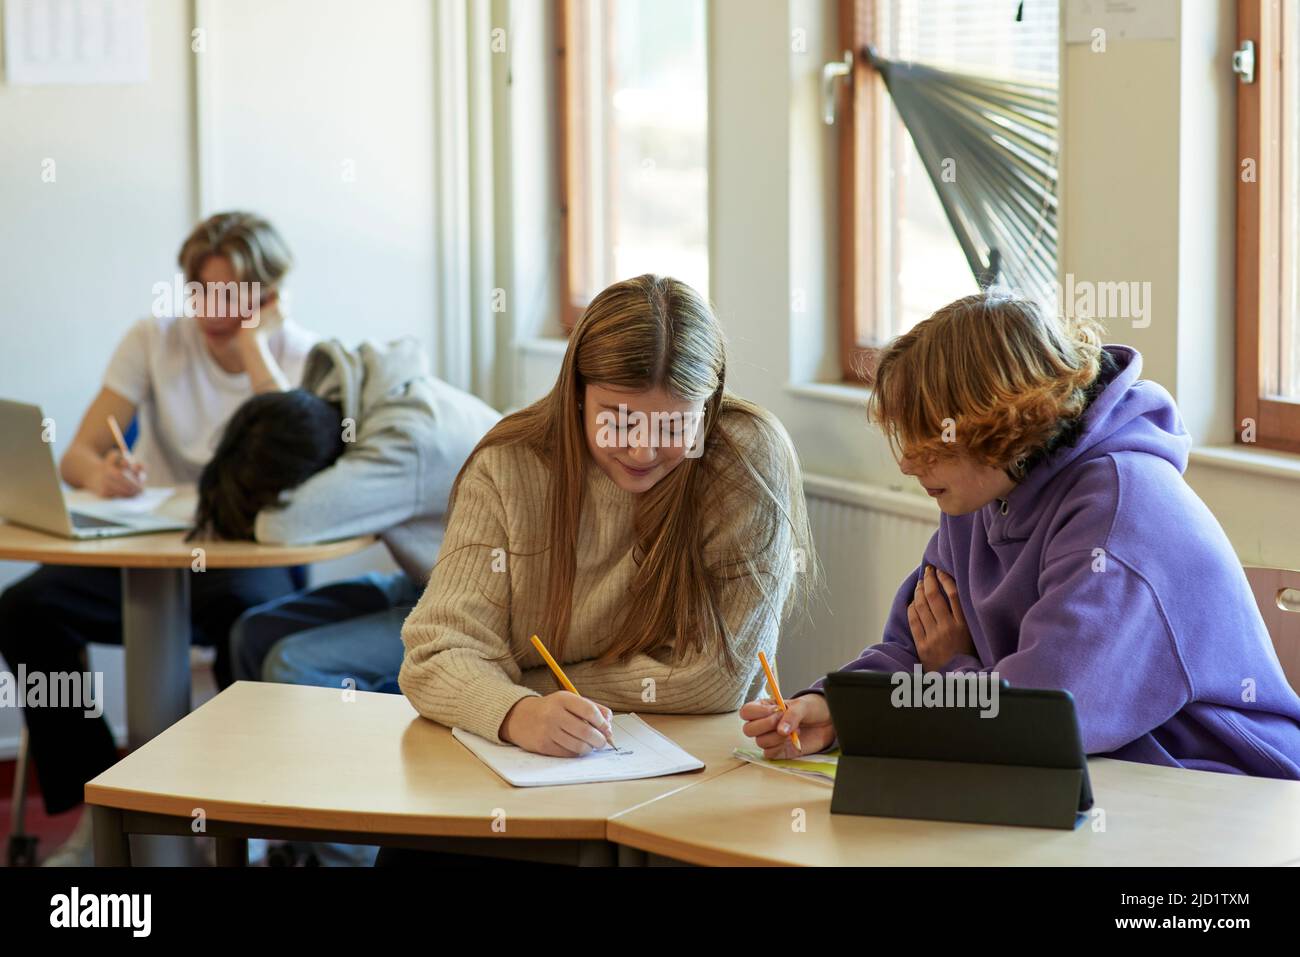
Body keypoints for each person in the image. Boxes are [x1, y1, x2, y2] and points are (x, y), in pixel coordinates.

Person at [741, 291, 1300, 779]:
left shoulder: (1120, 513)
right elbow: (913, 646)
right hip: (1095, 771)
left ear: (1001, 425)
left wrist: (952, 671)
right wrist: (837, 708)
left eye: (928, 440)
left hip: (1217, 785)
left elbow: (1040, 724)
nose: (908, 463)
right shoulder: (982, 488)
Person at [0, 211, 317, 865]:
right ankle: (102, 806)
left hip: (251, 557)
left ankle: (243, 819)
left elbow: (299, 468)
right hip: (153, 550)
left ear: (268, 294)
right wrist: (106, 472)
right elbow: (78, 455)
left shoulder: (297, 353)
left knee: (251, 623)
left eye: (233, 295)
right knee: (23, 608)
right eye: (201, 292)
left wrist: (255, 350)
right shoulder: (152, 339)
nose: (212, 312)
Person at [195, 337, 500, 864]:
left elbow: (288, 522)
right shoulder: (350, 399)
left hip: (484, 608)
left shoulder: (407, 439)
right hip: (426, 581)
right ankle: (293, 828)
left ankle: (346, 856)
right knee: (253, 632)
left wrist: (261, 503)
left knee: (291, 664)